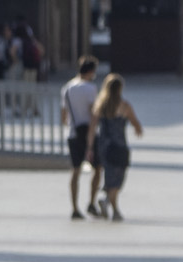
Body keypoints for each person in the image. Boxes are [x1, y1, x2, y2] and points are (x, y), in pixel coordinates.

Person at [89, 72, 138, 220]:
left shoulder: (100, 105)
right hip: (120, 145)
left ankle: (107, 201)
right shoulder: (125, 106)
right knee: (118, 177)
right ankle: (112, 207)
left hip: (104, 146)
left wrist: (89, 147)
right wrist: (137, 128)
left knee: (109, 175)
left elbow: (92, 128)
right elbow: (135, 122)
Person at [58, 59, 103, 218]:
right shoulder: (90, 88)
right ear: (91, 72)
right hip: (88, 132)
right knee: (97, 168)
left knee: (75, 171)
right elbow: (93, 113)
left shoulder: (67, 88)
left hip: (73, 132)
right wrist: (91, 142)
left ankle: (75, 208)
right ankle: (91, 202)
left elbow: (63, 116)